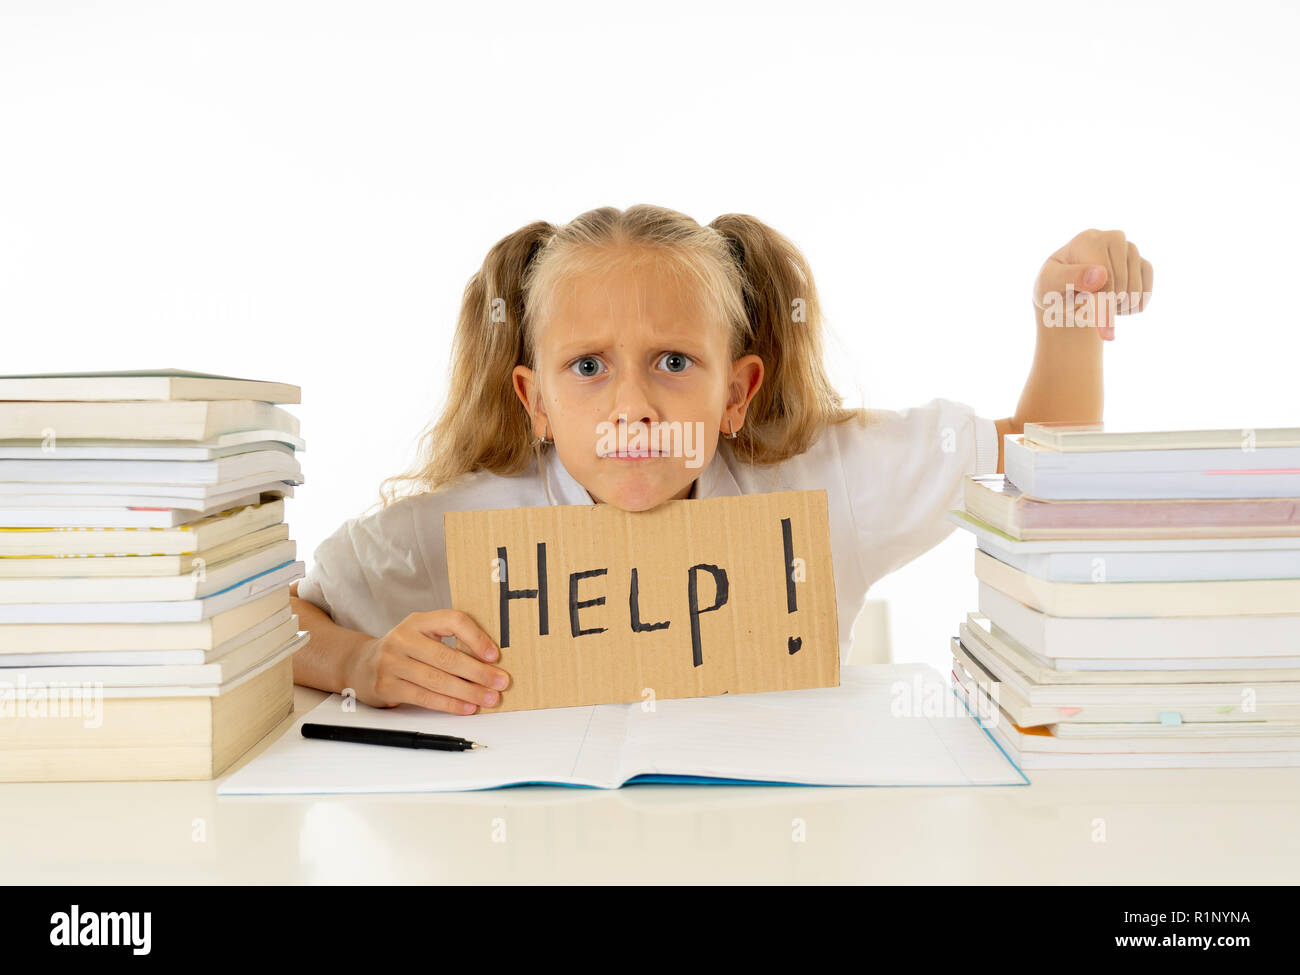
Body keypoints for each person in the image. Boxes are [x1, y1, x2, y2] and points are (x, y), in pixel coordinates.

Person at [290, 205, 1152, 714]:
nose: (632, 405)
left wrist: (1064, 316)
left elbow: (1046, 462)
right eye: (588, 368)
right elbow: (272, 620)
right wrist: (361, 663)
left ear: (737, 392)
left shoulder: (825, 486)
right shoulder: (460, 529)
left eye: (673, 362)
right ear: (537, 402)